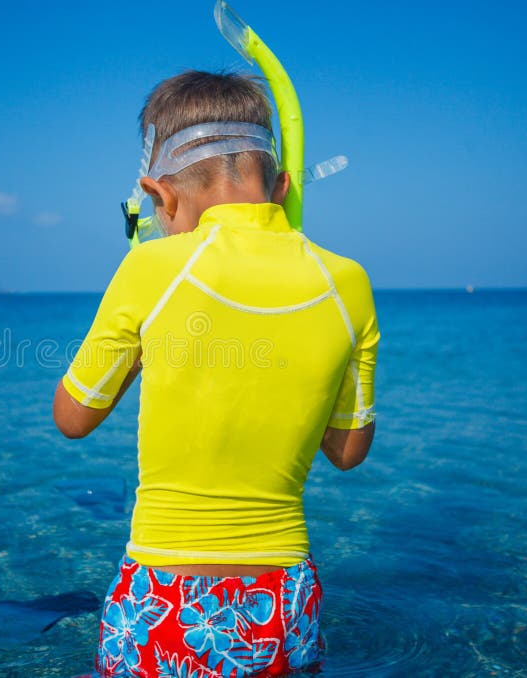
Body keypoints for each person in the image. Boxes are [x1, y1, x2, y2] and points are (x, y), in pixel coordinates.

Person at [53, 71, 379, 677]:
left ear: (160, 195)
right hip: (282, 605)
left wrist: (144, 350)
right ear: (282, 185)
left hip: (167, 602)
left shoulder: (151, 269)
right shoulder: (348, 283)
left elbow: (72, 418)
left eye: (155, 212)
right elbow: (348, 450)